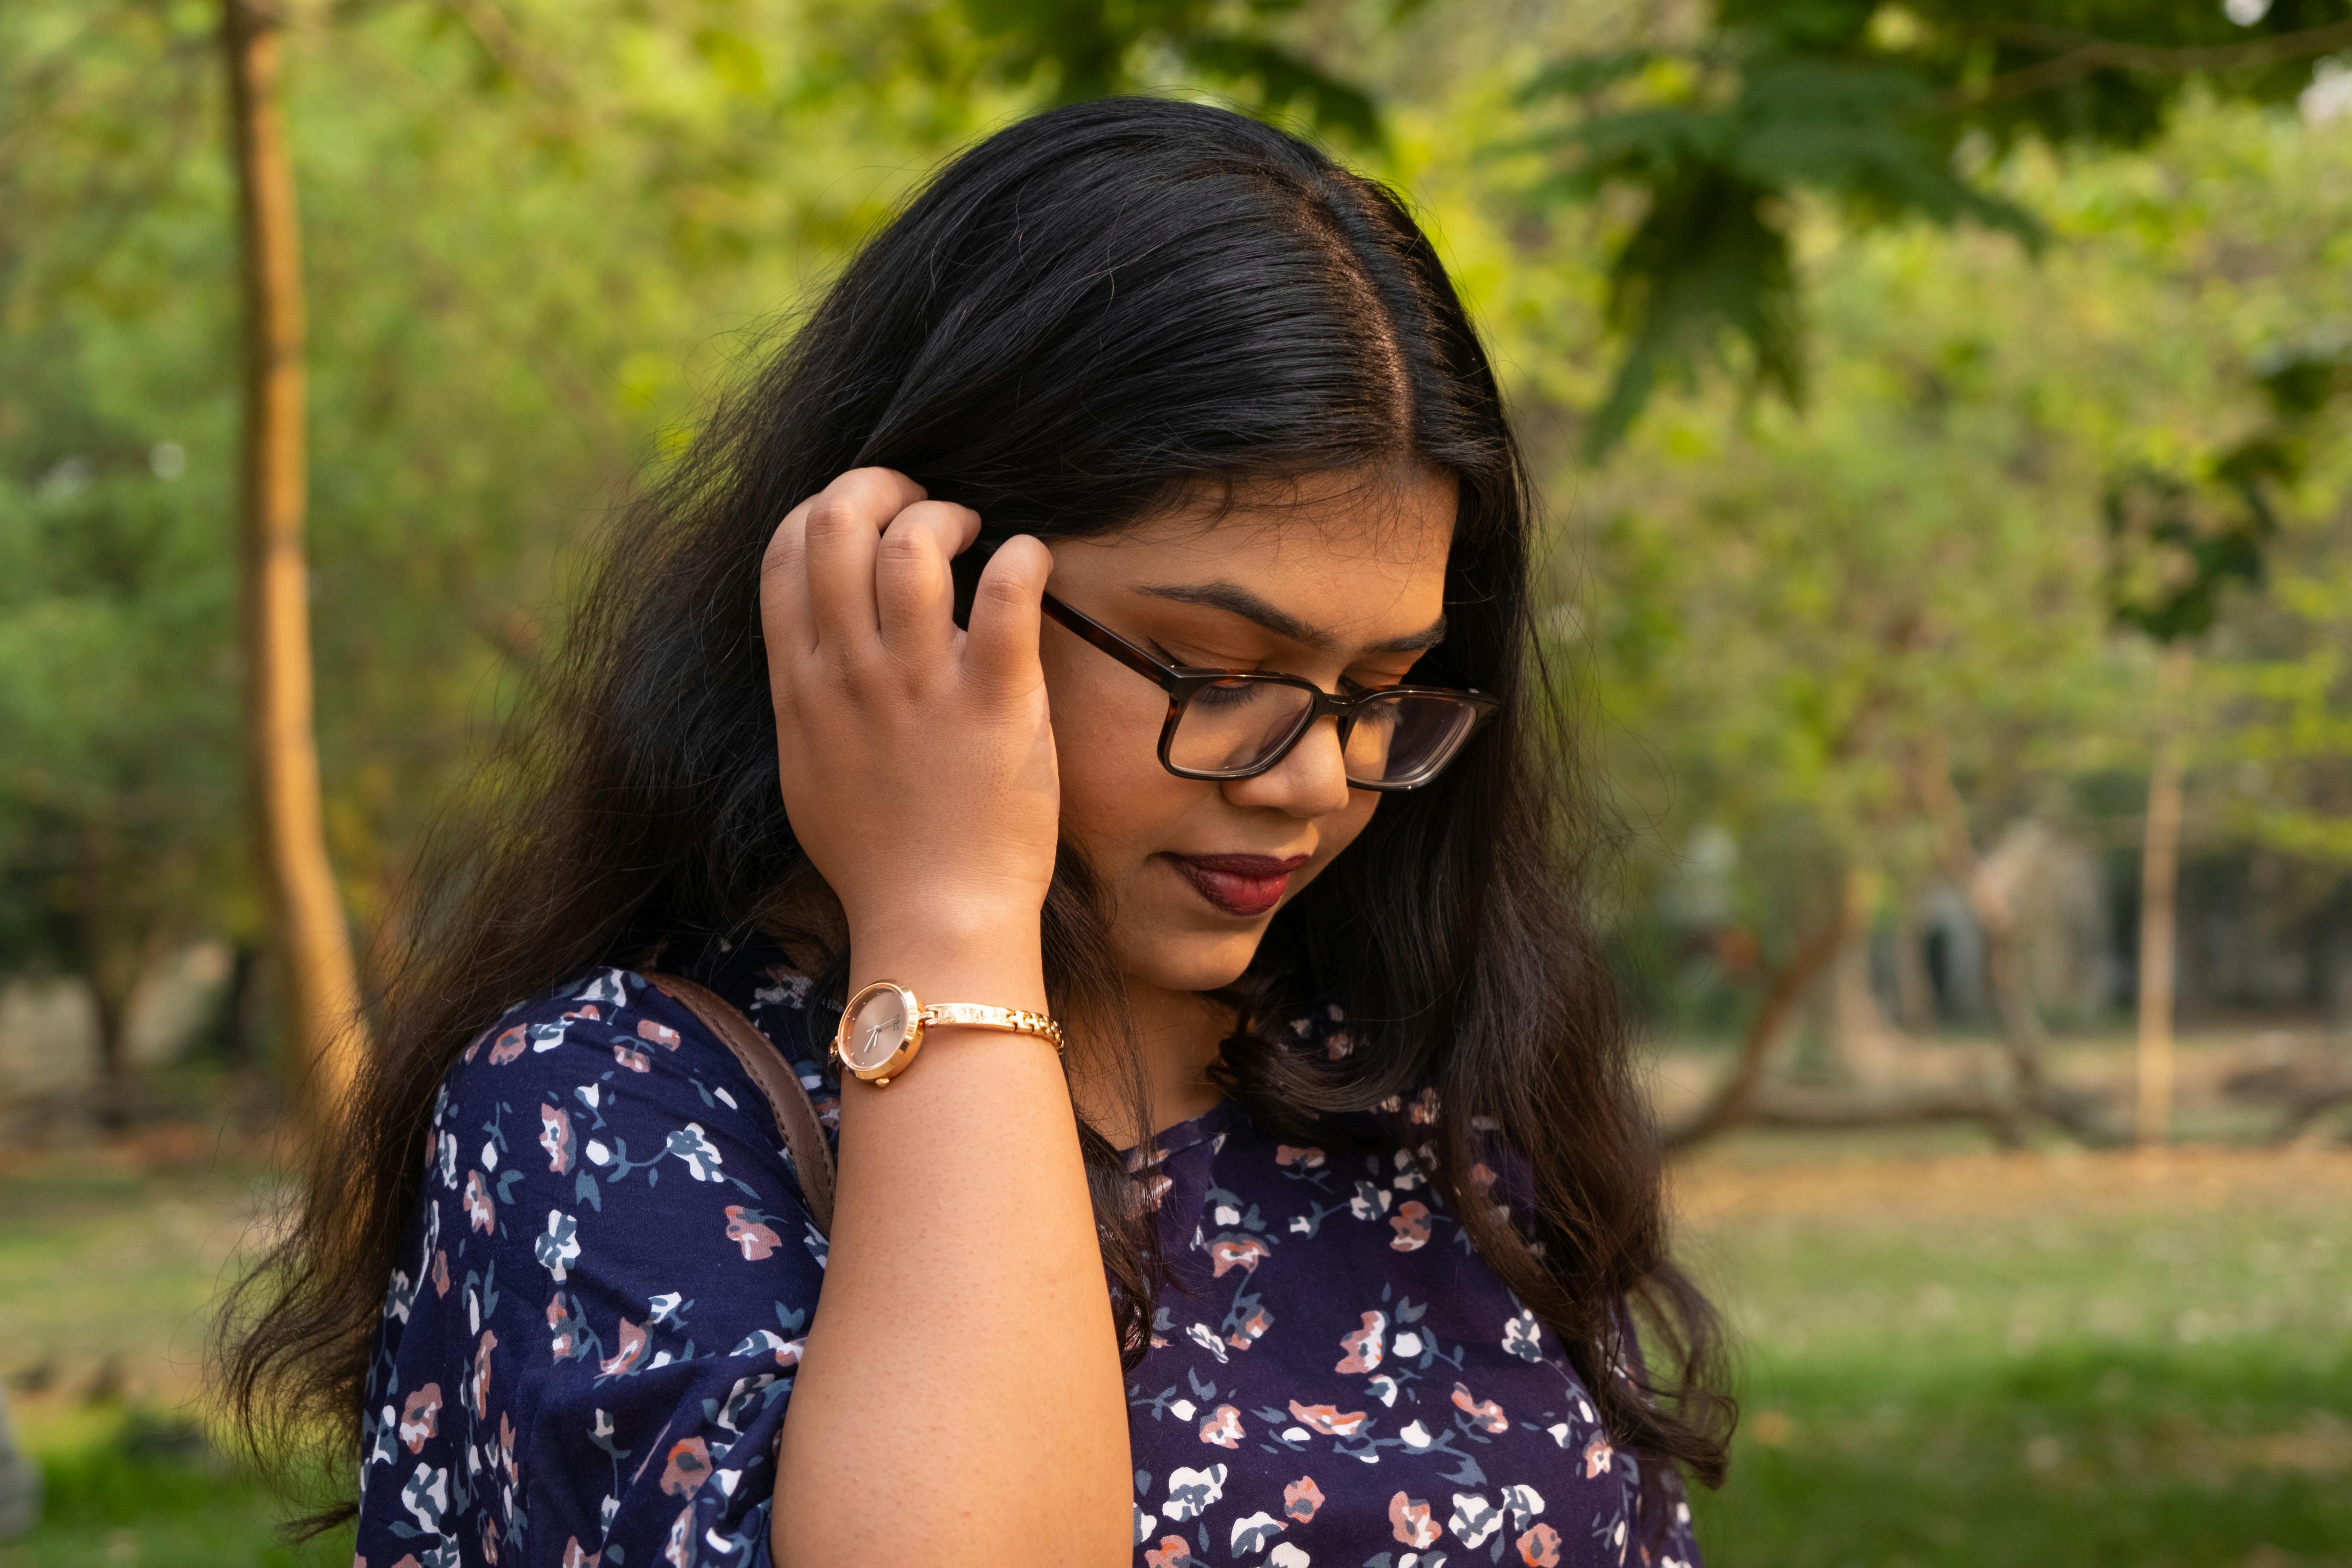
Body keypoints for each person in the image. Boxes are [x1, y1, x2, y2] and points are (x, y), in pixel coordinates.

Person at [219, 97, 1731, 1568]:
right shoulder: (608, 1116)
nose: (1314, 777)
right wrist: (948, 912)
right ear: (912, 585)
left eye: (1381, 687)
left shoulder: (1401, 1066)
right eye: (1219, 673)